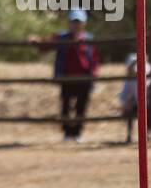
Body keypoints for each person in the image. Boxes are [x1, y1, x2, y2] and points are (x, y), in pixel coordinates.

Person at [32, 8, 100, 143]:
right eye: (73, 22)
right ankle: (67, 133)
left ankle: (78, 133)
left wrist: (93, 75)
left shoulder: (88, 39)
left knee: (81, 106)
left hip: (84, 79)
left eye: (78, 22)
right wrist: (36, 41)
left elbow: (95, 59)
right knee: (65, 105)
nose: (76, 25)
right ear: (69, 23)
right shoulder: (61, 37)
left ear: (84, 23)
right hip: (66, 78)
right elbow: (45, 45)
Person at [119, 53, 151, 143]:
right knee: (129, 111)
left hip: (147, 104)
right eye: (133, 64)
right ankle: (129, 134)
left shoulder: (147, 77)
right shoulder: (128, 81)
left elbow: (150, 91)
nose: (134, 68)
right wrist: (126, 103)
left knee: (150, 111)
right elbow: (123, 96)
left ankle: (148, 133)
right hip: (134, 104)